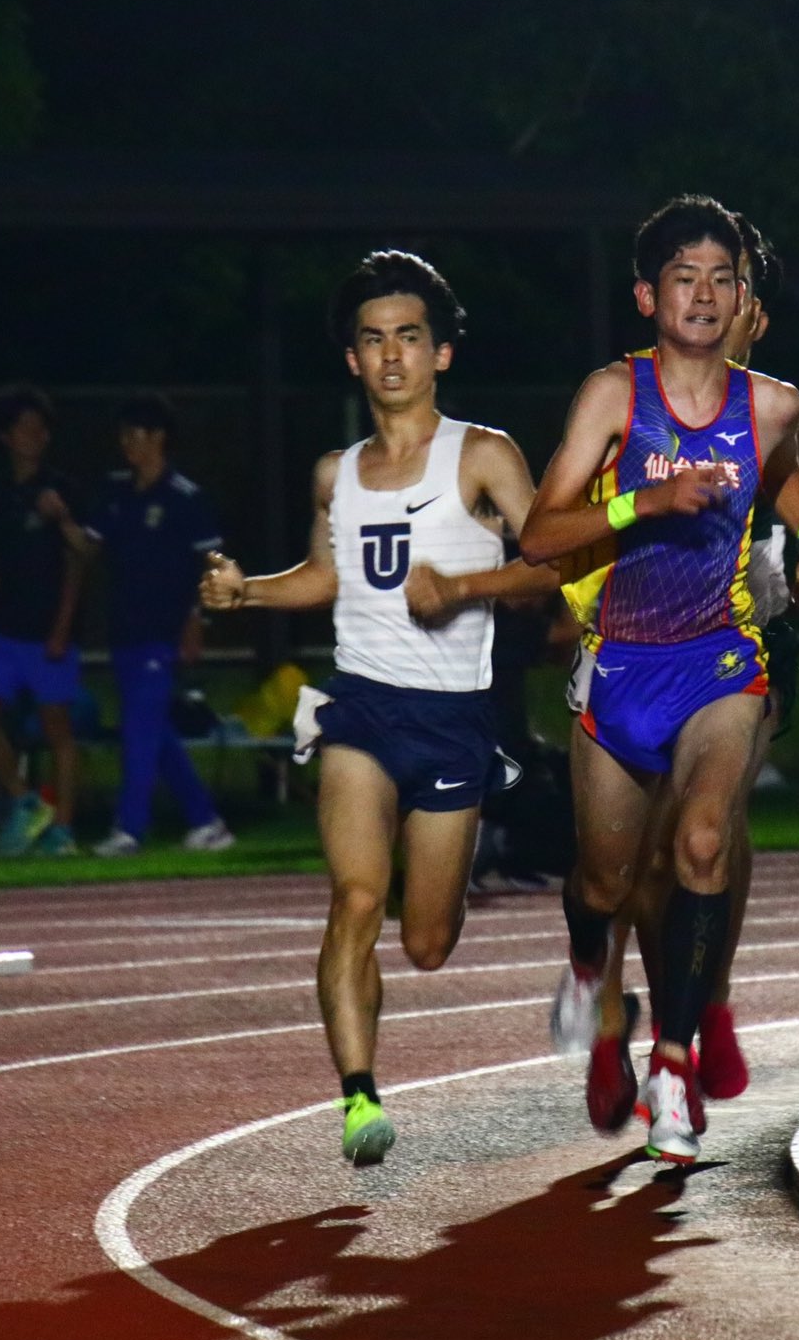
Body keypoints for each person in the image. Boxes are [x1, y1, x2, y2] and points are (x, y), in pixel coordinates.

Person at [199, 250, 557, 1165]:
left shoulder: (483, 454)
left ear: (441, 353)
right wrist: (247, 592)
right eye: (373, 339)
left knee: (427, 942)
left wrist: (465, 587)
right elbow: (326, 578)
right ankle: (359, 1098)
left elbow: (553, 562)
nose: (391, 354)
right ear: (352, 359)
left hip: (453, 719)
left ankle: (426, 893)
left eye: (408, 337)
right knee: (356, 898)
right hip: (360, 707)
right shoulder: (336, 473)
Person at [521, 194, 799, 1164]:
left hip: (719, 661)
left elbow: (793, 475)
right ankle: (589, 971)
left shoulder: (775, 406)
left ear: (743, 296)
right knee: (605, 881)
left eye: (720, 278)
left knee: (703, 842)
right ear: (646, 296)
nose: (702, 295)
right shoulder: (612, 397)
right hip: (620, 665)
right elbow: (539, 535)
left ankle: (672, 1062)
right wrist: (644, 501)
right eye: (682, 277)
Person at [55, 393, 234, 857]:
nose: (127, 445)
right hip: (125, 632)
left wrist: (197, 620)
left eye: (136, 435)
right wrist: (61, 519)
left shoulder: (185, 498)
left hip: (164, 633)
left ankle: (129, 828)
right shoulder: (117, 494)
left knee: (138, 730)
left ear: (159, 438)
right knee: (154, 731)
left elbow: (212, 564)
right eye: (124, 436)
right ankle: (207, 822)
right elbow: (88, 547)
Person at [0, 386, 85, 856]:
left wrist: (62, 629)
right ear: (5, 437)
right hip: (2, 631)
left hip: (47, 631)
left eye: (40, 429)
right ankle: (26, 800)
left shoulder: (61, 489)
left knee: (57, 729)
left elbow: (81, 557)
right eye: (23, 428)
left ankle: (63, 830)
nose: (33, 436)